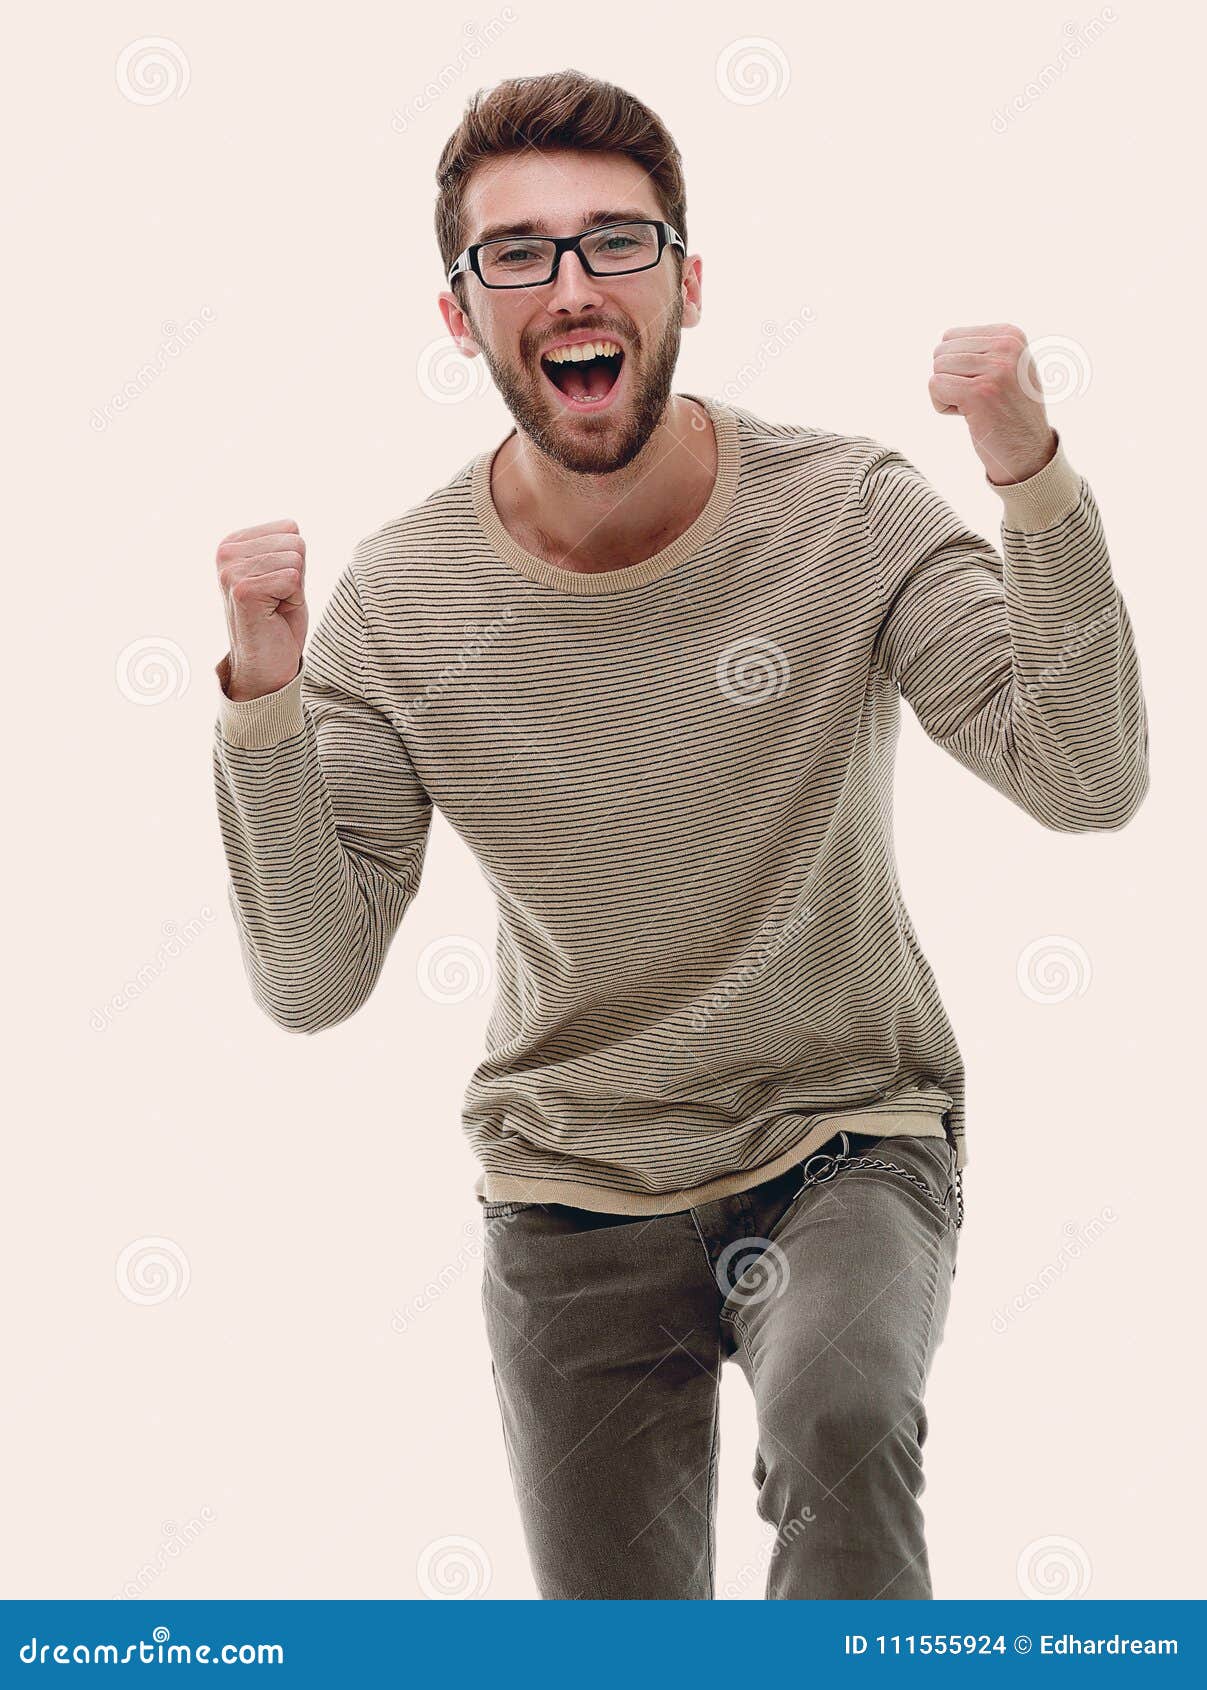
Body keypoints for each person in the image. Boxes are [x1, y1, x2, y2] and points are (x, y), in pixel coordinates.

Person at [210, 70, 1149, 1599]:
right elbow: (314, 979)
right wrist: (263, 698)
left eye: (616, 241)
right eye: (518, 252)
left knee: (842, 1413)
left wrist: (1028, 471)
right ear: (459, 313)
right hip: (569, 1189)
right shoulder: (400, 603)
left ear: (687, 284)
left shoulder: (848, 511)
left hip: (842, 1133)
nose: (573, 284)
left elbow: (1085, 776)